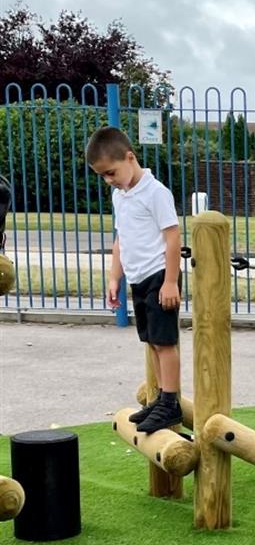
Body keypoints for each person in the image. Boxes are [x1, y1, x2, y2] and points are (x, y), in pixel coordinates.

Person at [85, 126, 183, 433]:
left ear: (130, 157)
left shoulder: (156, 193)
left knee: (165, 343)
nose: (109, 180)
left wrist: (170, 282)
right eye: (103, 175)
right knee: (152, 342)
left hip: (157, 277)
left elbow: (173, 237)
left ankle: (170, 402)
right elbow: (121, 239)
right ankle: (159, 399)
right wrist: (115, 277)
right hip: (139, 279)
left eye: (111, 172)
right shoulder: (121, 196)